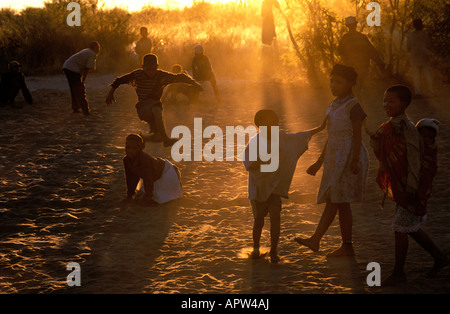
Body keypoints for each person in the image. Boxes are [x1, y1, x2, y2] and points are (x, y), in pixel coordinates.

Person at [369, 86, 448, 285]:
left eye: (391, 101)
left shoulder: (408, 129)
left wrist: (412, 187)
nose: (386, 105)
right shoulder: (387, 127)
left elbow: (414, 161)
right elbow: (383, 157)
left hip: (410, 187)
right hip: (400, 185)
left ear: (403, 105)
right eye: (385, 101)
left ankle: (399, 273)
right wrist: (375, 142)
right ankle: (440, 258)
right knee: (409, 227)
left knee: (401, 228)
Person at [295, 64, 369, 257]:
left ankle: (316, 239)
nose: (333, 85)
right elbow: (331, 135)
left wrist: (354, 160)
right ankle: (347, 246)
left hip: (348, 157)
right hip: (334, 157)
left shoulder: (354, 105)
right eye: (331, 80)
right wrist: (319, 162)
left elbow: (357, 135)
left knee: (335, 199)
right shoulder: (334, 104)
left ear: (350, 84)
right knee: (341, 201)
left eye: (338, 82)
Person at [244, 109, 326, 263]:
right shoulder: (255, 142)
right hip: (259, 186)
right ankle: (256, 248)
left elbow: (299, 137)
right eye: (271, 122)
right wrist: (269, 159)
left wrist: (320, 128)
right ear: (260, 125)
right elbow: (249, 164)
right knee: (259, 220)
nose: (275, 124)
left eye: (276, 122)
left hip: (275, 186)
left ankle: (274, 251)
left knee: (275, 218)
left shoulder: (281, 137)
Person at [105, 53, 201, 147]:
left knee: (157, 137)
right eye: (148, 69)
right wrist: (110, 94)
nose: (151, 72)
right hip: (143, 108)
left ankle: (143, 138)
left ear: (157, 66)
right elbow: (119, 80)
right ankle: (166, 140)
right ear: (143, 67)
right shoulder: (138, 74)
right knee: (156, 108)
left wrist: (194, 83)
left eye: (153, 69)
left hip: (155, 111)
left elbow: (179, 77)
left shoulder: (161, 75)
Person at [122, 134, 183, 205]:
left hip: (168, 173)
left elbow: (148, 179)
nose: (130, 151)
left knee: (160, 199)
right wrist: (130, 194)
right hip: (155, 177)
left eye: (134, 148)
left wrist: (148, 197)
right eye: (128, 147)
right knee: (140, 196)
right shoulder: (126, 160)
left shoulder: (145, 160)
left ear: (140, 149)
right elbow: (130, 178)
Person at [338, 16, 385, 97]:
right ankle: (357, 99)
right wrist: (379, 63)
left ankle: (355, 100)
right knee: (358, 84)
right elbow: (371, 51)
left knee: (354, 85)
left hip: (350, 66)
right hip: (363, 66)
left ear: (347, 26)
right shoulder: (362, 37)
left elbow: (340, 52)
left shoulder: (345, 38)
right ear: (355, 25)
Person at [62, 41, 100, 115]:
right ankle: (85, 111)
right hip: (72, 69)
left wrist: (81, 79)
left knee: (74, 88)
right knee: (80, 89)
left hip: (66, 66)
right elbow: (87, 68)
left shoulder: (87, 51)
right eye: (98, 47)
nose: (99, 50)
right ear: (95, 48)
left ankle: (75, 108)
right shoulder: (93, 54)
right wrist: (83, 81)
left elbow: (83, 67)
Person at [406, 19, 434, 97]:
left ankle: (418, 92)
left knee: (416, 76)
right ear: (421, 25)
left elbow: (408, 48)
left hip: (414, 57)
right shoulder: (425, 34)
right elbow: (429, 45)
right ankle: (430, 91)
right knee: (428, 75)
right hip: (424, 56)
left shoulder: (410, 35)